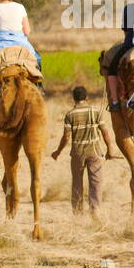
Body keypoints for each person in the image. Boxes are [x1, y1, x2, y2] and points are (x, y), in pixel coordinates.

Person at [51, 86, 116, 217]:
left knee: (77, 182)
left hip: (77, 153)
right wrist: (110, 149)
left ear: (73, 99)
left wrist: (58, 151)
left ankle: (77, 211)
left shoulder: (70, 115)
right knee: (96, 181)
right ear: (87, 98)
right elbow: (105, 132)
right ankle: (95, 209)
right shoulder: (96, 112)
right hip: (95, 151)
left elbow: (67, 136)